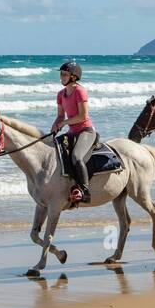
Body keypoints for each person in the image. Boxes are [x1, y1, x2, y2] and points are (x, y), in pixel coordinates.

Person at [51, 60, 96, 204]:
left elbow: (83, 116)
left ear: (74, 77)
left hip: (86, 132)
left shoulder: (79, 91)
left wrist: (64, 123)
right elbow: (60, 115)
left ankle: (85, 191)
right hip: (72, 132)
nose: (62, 77)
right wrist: (55, 126)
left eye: (65, 74)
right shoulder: (60, 94)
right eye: (61, 74)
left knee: (76, 157)